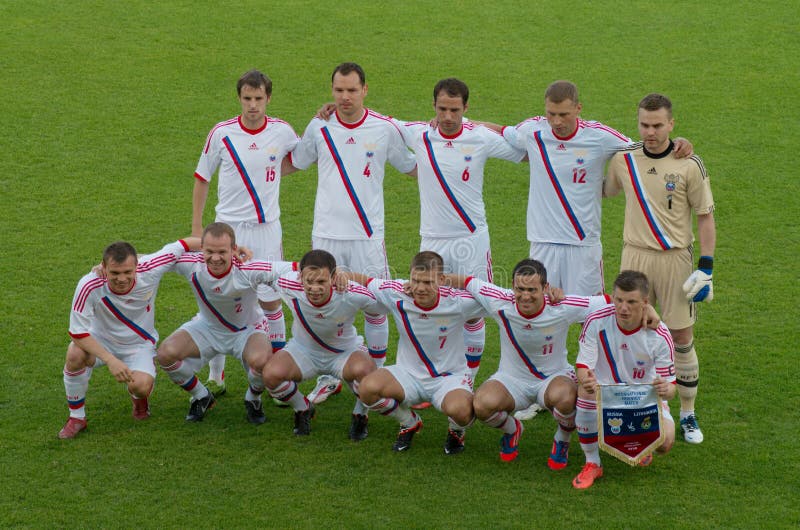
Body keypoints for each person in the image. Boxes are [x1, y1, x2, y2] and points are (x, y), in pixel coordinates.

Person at [479, 80, 691, 420]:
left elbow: (645, 146)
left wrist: (678, 143)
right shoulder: (534, 131)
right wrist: (458, 126)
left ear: (578, 109)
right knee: (542, 310)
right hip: (543, 243)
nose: (556, 122)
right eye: (551, 113)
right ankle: (539, 387)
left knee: (593, 316)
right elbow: (501, 132)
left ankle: (601, 385)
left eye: (563, 114)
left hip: (583, 246)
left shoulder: (600, 136)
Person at [288, 62, 417, 405]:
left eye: (352, 90)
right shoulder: (319, 127)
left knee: (376, 306)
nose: (345, 97)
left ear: (365, 90)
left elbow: (412, 167)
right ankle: (331, 376)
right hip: (326, 236)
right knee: (326, 303)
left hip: (367, 236)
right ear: (332, 91)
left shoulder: (384, 129)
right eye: (339, 90)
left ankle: (373, 379)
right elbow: (296, 162)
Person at [393, 78, 526, 382]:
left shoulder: (479, 137)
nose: (448, 116)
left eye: (455, 110)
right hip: (432, 239)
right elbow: (376, 121)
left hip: (472, 238)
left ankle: (468, 378)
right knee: (428, 301)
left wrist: (486, 124)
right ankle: (434, 374)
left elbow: (524, 151)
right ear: (433, 106)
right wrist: (334, 110)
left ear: (466, 108)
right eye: (442, 109)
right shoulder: (419, 134)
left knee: (475, 308)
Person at [603, 93, 715, 444]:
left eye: (657, 125)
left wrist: (706, 267)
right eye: (644, 125)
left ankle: (687, 414)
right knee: (630, 330)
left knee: (681, 335)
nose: (650, 132)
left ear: (671, 125)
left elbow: (705, 217)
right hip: (634, 257)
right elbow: (605, 192)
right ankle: (632, 405)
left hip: (675, 259)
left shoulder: (689, 164)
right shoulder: (623, 159)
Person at [191, 69, 299, 397]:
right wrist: (198, 229)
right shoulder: (222, 133)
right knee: (221, 296)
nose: (253, 105)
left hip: (267, 229)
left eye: (259, 99)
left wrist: (271, 172)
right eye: (247, 98)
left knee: (270, 299)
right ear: (239, 98)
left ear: (268, 98)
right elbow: (201, 176)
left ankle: (276, 373)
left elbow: (300, 158)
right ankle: (216, 373)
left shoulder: (281, 131)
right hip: (228, 230)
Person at [447, 259, 614, 467]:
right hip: (511, 380)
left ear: (545, 288)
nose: (525, 296)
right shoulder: (500, 299)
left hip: (553, 377)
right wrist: (423, 284)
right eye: (520, 289)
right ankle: (512, 429)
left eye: (532, 289)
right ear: (512, 286)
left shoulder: (562, 306)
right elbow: (466, 281)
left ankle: (562, 439)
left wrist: (649, 312)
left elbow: (612, 301)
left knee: (565, 398)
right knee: (482, 406)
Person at [59, 237, 199, 439]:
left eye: (127, 272)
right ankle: (77, 417)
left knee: (140, 386)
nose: (122, 279)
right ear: (103, 268)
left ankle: (139, 399)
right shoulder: (89, 284)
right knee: (74, 353)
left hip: (139, 345)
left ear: (137, 266)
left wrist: (232, 249)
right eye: (114, 273)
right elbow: (78, 333)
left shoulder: (150, 267)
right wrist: (111, 360)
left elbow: (185, 244)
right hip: (101, 341)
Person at [156, 222, 296, 423]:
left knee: (263, 363)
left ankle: (253, 399)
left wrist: (331, 274)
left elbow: (292, 268)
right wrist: (107, 267)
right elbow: (148, 262)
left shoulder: (248, 269)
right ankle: (201, 396)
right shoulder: (191, 264)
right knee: (165, 354)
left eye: (222, 251)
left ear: (234, 250)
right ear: (201, 248)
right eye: (209, 251)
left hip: (247, 331)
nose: (215, 258)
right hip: (207, 328)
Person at [349, 251, 485, 454]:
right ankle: (409, 422)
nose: (420, 288)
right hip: (407, 374)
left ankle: (456, 431)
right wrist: (338, 276)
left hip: (449, 378)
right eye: (416, 280)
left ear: (441, 280)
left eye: (428, 282)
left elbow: (503, 299)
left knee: (461, 411)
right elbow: (365, 280)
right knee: (367, 390)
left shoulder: (459, 302)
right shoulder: (396, 292)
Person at [261, 249, 384, 440]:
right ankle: (303, 409)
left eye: (321, 282)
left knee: (369, 377)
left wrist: (379, 360)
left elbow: (380, 309)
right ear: (300, 276)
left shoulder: (352, 292)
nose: (314, 288)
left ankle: (360, 415)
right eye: (309, 281)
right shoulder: (287, 283)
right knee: (270, 375)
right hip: (303, 351)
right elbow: (256, 271)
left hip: (345, 353)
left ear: (334, 277)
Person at [572, 270, 676, 489]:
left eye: (631, 302)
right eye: (618, 300)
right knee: (584, 389)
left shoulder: (659, 334)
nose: (623, 307)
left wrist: (665, 388)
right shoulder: (596, 321)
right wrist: (586, 379)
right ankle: (592, 462)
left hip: (643, 398)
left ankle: (642, 445)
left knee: (665, 443)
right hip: (605, 392)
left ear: (645, 303)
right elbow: (583, 366)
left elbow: (672, 388)